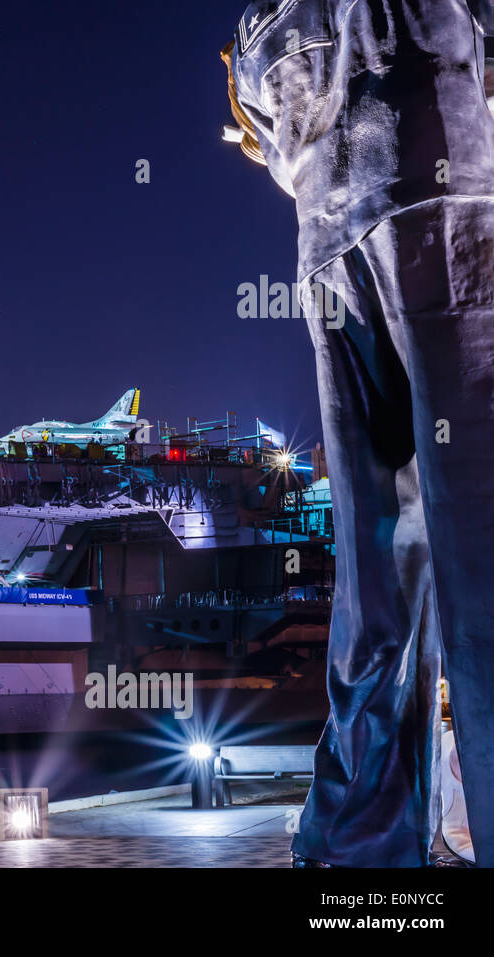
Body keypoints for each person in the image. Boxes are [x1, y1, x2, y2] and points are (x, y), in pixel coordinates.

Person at [223, 0, 494, 867]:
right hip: (447, 208)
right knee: (481, 557)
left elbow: (270, 139)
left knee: (380, 573)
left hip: (330, 247)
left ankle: (362, 846)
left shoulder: (267, 16)